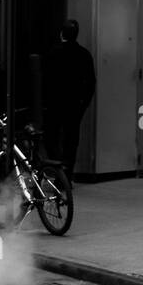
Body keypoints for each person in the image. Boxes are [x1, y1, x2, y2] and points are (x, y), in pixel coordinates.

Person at [43, 19, 96, 181]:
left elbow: (45, 81)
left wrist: (44, 104)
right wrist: (83, 105)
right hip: (74, 106)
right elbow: (91, 83)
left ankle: (56, 170)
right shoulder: (84, 54)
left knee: (51, 138)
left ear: (61, 34)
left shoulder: (53, 53)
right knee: (71, 141)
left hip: (55, 105)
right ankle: (67, 174)